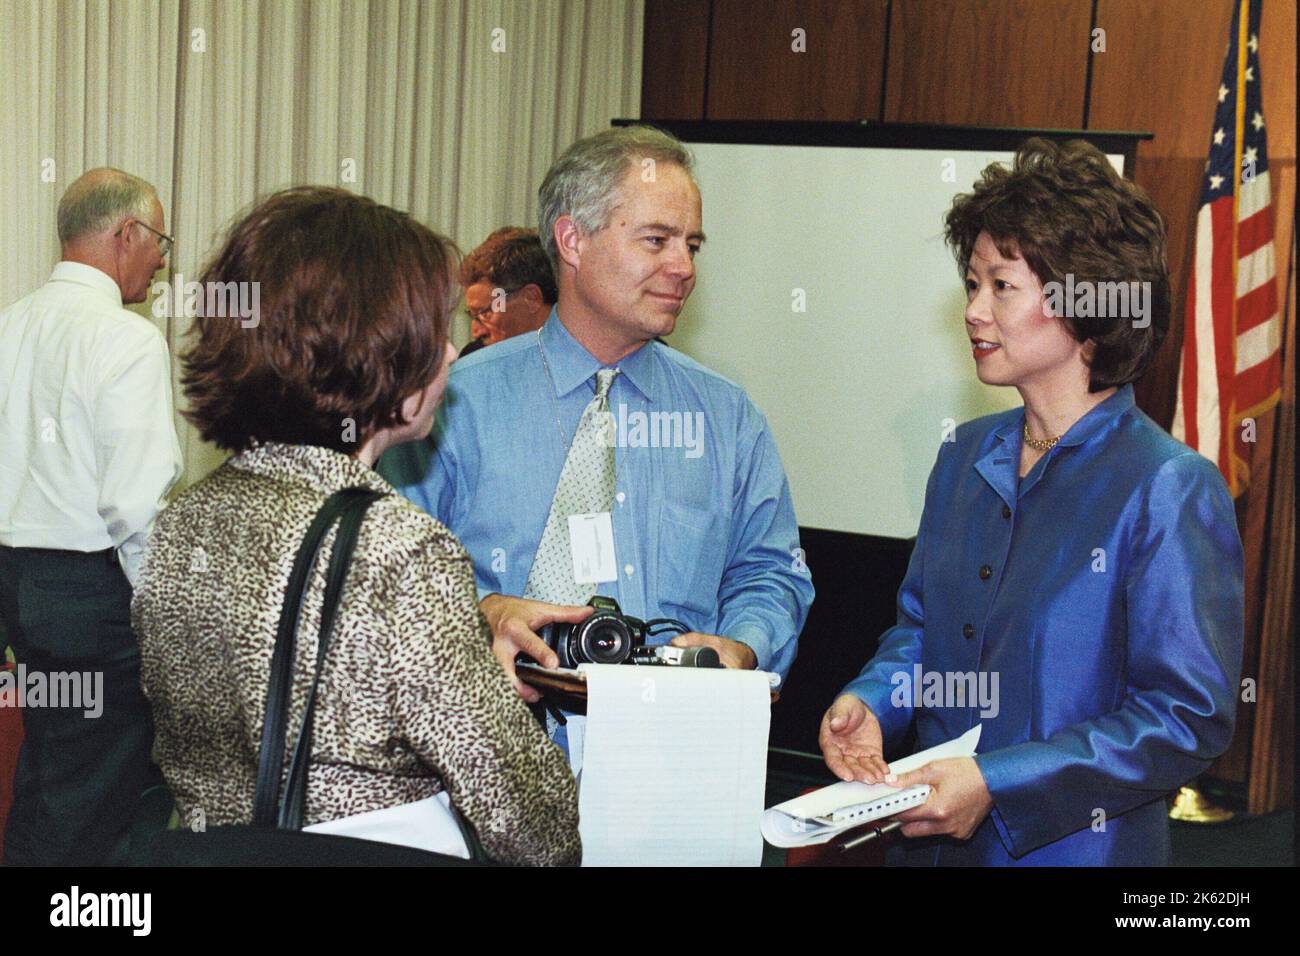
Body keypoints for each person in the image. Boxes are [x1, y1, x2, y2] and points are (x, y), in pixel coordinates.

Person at [818, 139, 1244, 866]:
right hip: (926, 848)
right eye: (971, 283)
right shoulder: (964, 455)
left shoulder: (1166, 485)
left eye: (1001, 286)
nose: (973, 310)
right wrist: (872, 703)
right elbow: (922, 632)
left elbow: (1184, 716)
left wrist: (997, 782)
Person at [131, 187, 581, 866]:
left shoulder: (183, 523)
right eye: (433, 331)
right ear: (375, 350)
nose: (454, 354)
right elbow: (528, 823)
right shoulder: (399, 550)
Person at [380, 126, 813, 747]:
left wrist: (743, 646)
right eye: (657, 240)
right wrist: (485, 613)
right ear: (572, 239)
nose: (684, 267)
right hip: (487, 761)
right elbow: (390, 578)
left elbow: (771, 570)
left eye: (692, 244)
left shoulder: (727, 418)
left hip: (673, 760)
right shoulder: (452, 404)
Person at [0, 168, 182, 865]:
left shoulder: (10, 325)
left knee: (50, 770)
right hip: (90, 602)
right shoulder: (128, 340)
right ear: (126, 234)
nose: (163, 259)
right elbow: (134, 509)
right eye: (158, 241)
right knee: (95, 799)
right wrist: (165, 620)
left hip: (19, 591)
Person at [459, 226, 557, 356]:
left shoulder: (585, 362)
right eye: (473, 315)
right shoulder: (474, 359)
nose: (476, 332)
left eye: (485, 314)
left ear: (531, 298)